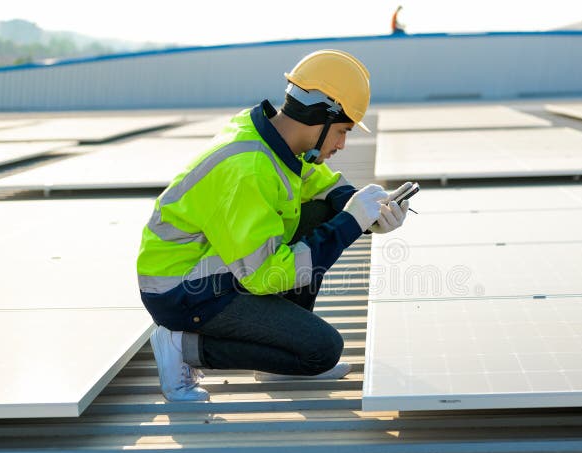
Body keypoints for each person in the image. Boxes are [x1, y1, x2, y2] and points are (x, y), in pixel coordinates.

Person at [137, 49, 414, 401]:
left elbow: (324, 186)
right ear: (321, 115)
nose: (343, 144)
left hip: (212, 267)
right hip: (182, 291)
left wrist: (370, 211)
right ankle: (184, 347)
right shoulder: (248, 169)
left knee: (323, 212)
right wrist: (351, 221)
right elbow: (266, 275)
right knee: (321, 350)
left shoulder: (275, 139)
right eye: (342, 131)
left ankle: (276, 357)